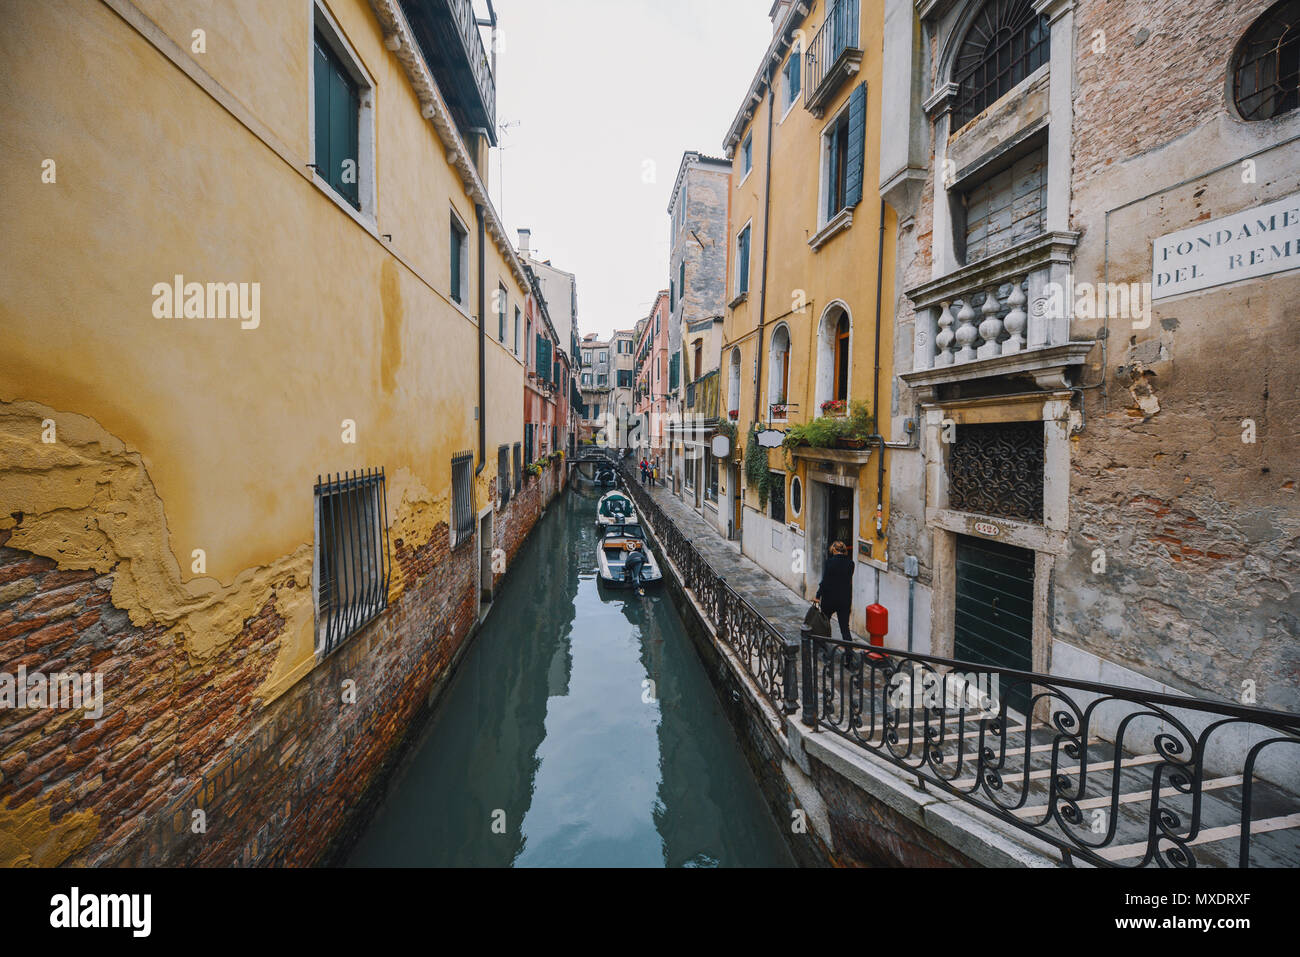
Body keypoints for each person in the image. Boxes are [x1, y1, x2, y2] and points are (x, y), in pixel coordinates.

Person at [815, 540, 855, 643]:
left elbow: (825, 581)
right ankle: (849, 655)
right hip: (844, 600)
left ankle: (825, 650)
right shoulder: (851, 564)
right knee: (845, 629)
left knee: (825, 625)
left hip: (829, 599)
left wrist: (818, 596)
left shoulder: (830, 562)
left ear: (834, 549)